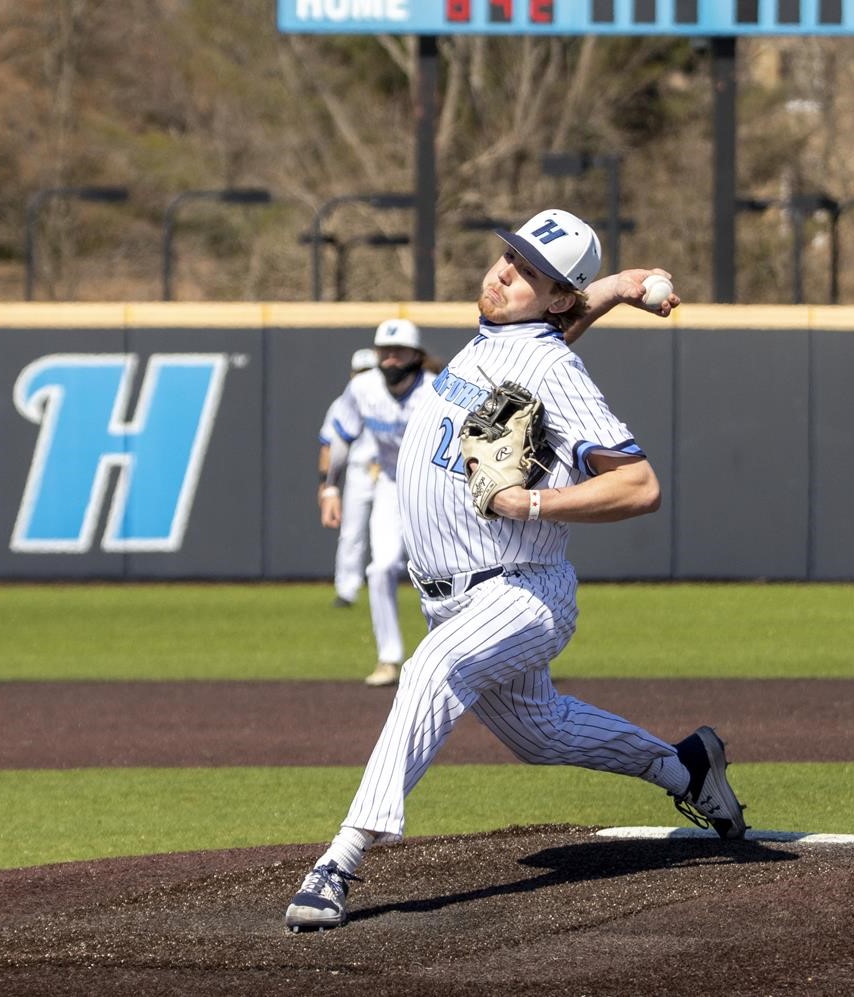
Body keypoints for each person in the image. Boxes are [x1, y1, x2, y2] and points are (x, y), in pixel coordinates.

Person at [284, 208, 746, 933]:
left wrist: (534, 499)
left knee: (430, 670)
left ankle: (342, 857)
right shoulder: (502, 337)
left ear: (556, 295)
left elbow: (639, 485)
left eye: (529, 272)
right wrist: (623, 285)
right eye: (509, 257)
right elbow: (547, 328)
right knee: (542, 733)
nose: (504, 273)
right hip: (451, 596)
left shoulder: (554, 366)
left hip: (519, 589)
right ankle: (685, 768)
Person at [317, 320, 437, 688]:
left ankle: (459, 659)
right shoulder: (363, 387)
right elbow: (337, 439)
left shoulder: (436, 392)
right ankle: (389, 658)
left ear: (416, 356)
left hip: (437, 488)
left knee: (448, 573)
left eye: (398, 351)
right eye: (384, 351)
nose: (390, 359)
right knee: (381, 567)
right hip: (390, 482)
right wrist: (329, 489)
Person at [320, 348, 381, 610]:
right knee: (351, 533)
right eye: (360, 372)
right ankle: (347, 589)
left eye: (369, 372)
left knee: (390, 535)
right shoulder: (343, 403)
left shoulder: (389, 398)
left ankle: (386, 586)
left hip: (390, 472)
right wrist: (326, 485)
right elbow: (328, 445)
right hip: (359, 469)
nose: (363, 377)